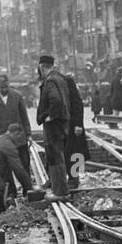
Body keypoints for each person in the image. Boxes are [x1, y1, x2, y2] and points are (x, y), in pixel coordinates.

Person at [0, 73, 31, 197]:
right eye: (2, 88)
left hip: (19, 139)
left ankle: (28, 190)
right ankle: (11, 192)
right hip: (2, 141)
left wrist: (28, 133)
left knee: (24, 164)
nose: (5, 90)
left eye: (7, 87)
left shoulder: (17, 97)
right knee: (5, 168)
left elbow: (24, 116)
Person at [36, 53, 70, 201]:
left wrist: (50, 116)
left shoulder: (50, 81)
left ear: (42, 67)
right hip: (62, 123)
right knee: (58, 155)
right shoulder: (60, 78)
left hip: (54, 125)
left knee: (55, 156)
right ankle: (58, 188)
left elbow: (56, 100)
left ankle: (60, 192)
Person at [64, 71, 89, 191]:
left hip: (74, 127)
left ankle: (74, 178)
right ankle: (72, 177)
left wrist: (78, 125)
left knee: (74, 152)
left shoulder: (71, 89)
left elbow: (78, 106)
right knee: (70, 152)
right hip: (67, 127)